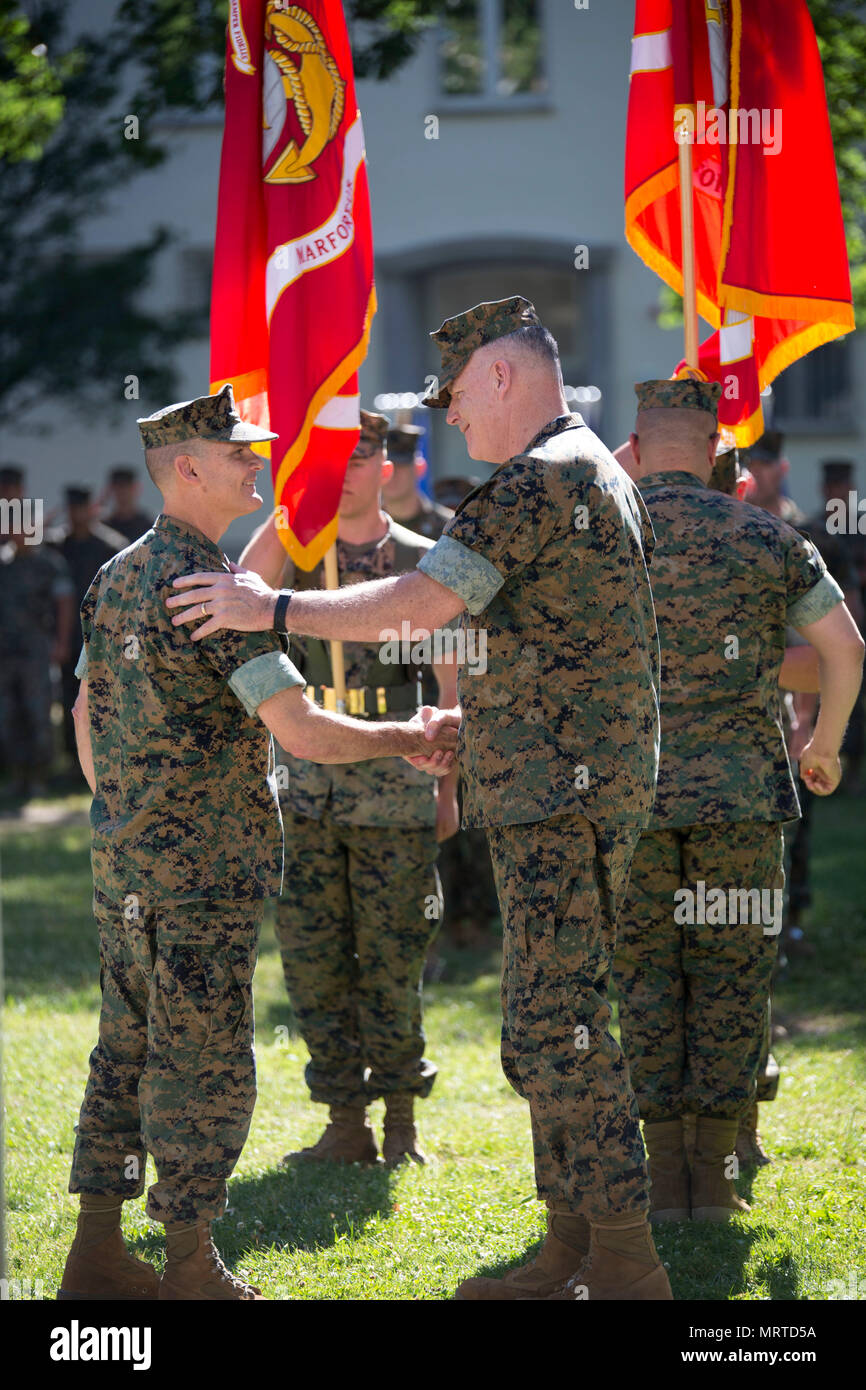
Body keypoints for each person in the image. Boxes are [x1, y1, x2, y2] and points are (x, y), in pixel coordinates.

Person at [167, 297, 673, 1302]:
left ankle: (625, 1265)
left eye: (453, 396)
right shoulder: (577, 467)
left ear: (499, 375)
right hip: (559, 784)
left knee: (560, 1029)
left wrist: (268, 604)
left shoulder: (542, 476)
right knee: (543, 1027)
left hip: (558, 797)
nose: (449, 421)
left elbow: (420, 602)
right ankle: (570, 1250)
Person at [58, 385, 456, 1303]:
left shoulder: (115, 576)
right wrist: (410, 737)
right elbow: (304, 731)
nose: (258, 462)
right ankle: (191, 1264)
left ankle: (98, 1252)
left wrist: (126, 806)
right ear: (186, 469)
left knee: (126, 1047)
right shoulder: (214, 591)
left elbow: (85, 711)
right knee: (202, 1060)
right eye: (239, 452)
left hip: (127, 864)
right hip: (202, 877)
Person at [611, 380, 864, 1228]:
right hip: (745, 802)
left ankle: (661, 1172)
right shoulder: (768, 535)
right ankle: (714, 1180)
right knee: (730, 980)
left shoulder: (601, 539)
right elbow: (845, 648)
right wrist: (823, 746)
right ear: (723, 451)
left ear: (636, 451)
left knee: (645, 978)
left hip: (631, 803)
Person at [239, 409, 459, 1165]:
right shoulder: (300, 563)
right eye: (332, 461)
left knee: (393, 959)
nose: (349, 473)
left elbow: (453, 683)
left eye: (359, 460)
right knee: (313, 960)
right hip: (302, 786)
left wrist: (450, 791)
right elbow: (243, 586)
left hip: (397, 786)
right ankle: (343, 1120)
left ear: (387, 471)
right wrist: (292, 508)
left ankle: (400, 1119)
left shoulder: (426, 562)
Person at [0, 465, 75, 798]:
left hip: (34, 649)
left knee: (38, 712)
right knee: (8, 716)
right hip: (4, 651)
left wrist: (59, 642)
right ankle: (17, 777)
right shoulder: (3, 563)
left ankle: (39, 777)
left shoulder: (47, 563)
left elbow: (64, 603)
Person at [47, 485, 127, 759]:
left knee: (104, 698)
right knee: (71, 699)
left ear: (89, 509)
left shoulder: (109, 545)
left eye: (80, 508)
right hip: (67, 635)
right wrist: (49, 517)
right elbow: (24, 544)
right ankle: (72, 760)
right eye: (71, 509)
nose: (76, 515)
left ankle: (104, 757)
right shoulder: (57, 543)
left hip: (99, 633)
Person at [382, 422, 454, 540]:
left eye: (400, 466)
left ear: (419, 468)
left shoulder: (450, 529)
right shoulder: (364, 529)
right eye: (386, 467)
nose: (392, 473)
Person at [101, 464, 155, 544]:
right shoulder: (103, 526)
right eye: (119, 487)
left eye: (126, 487)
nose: (123, 492)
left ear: (136, 488)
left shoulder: (149, 526)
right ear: (111, 490)